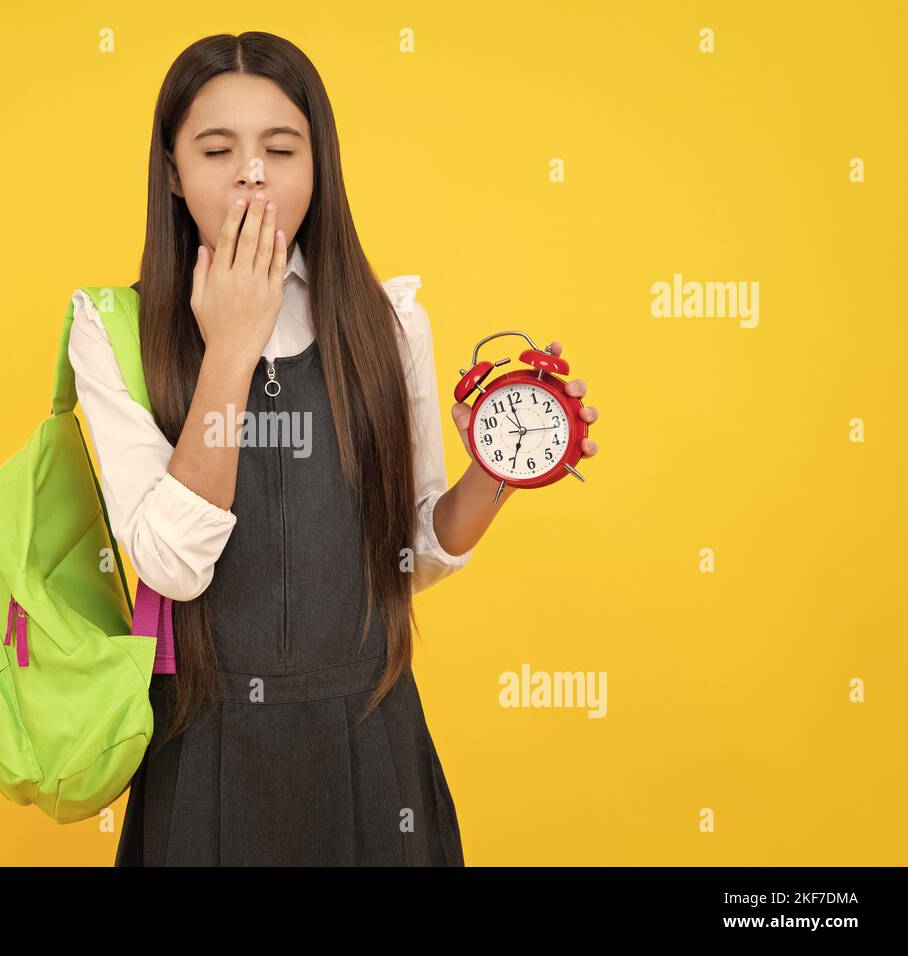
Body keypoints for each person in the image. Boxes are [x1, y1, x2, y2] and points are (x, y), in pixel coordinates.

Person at [67, 32, 601, 865]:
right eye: (217, 149)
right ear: (171, 172)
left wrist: (499, 470)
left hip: (369, 745)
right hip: (204, 753)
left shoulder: (390, 322)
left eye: (280, 148)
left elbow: (414, 554)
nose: (252, 173)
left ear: (319, 166)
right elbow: (172, 567)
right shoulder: (112, 332)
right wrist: (233, 349)